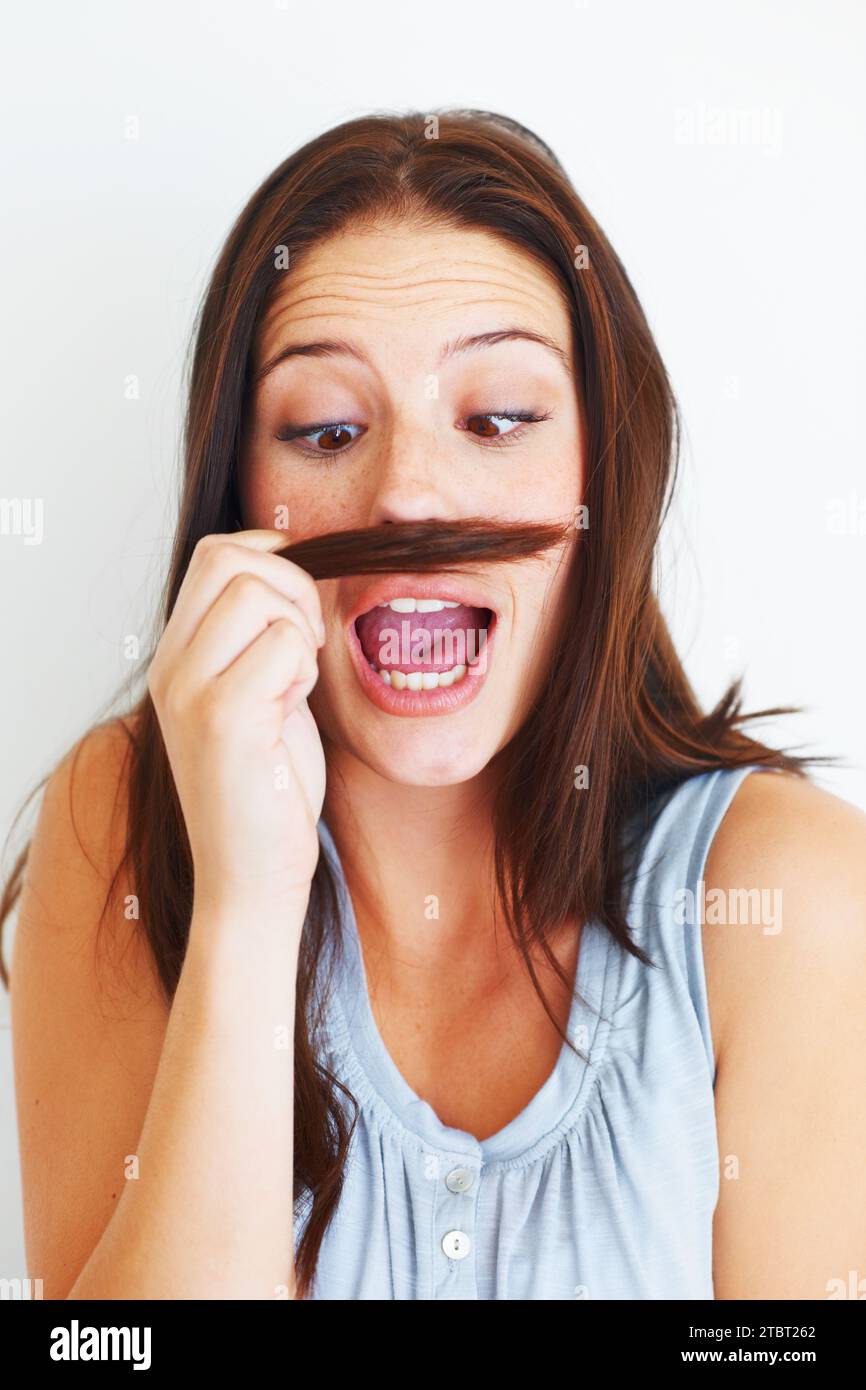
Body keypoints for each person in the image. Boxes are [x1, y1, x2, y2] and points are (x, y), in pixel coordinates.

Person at [3, 109, 865, 1301]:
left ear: (599, 485)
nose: (406, 494)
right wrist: (246, 909)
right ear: (238, 496)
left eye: (496, 418)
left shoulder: (788, 899)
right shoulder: (121, 826)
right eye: (326, 429)